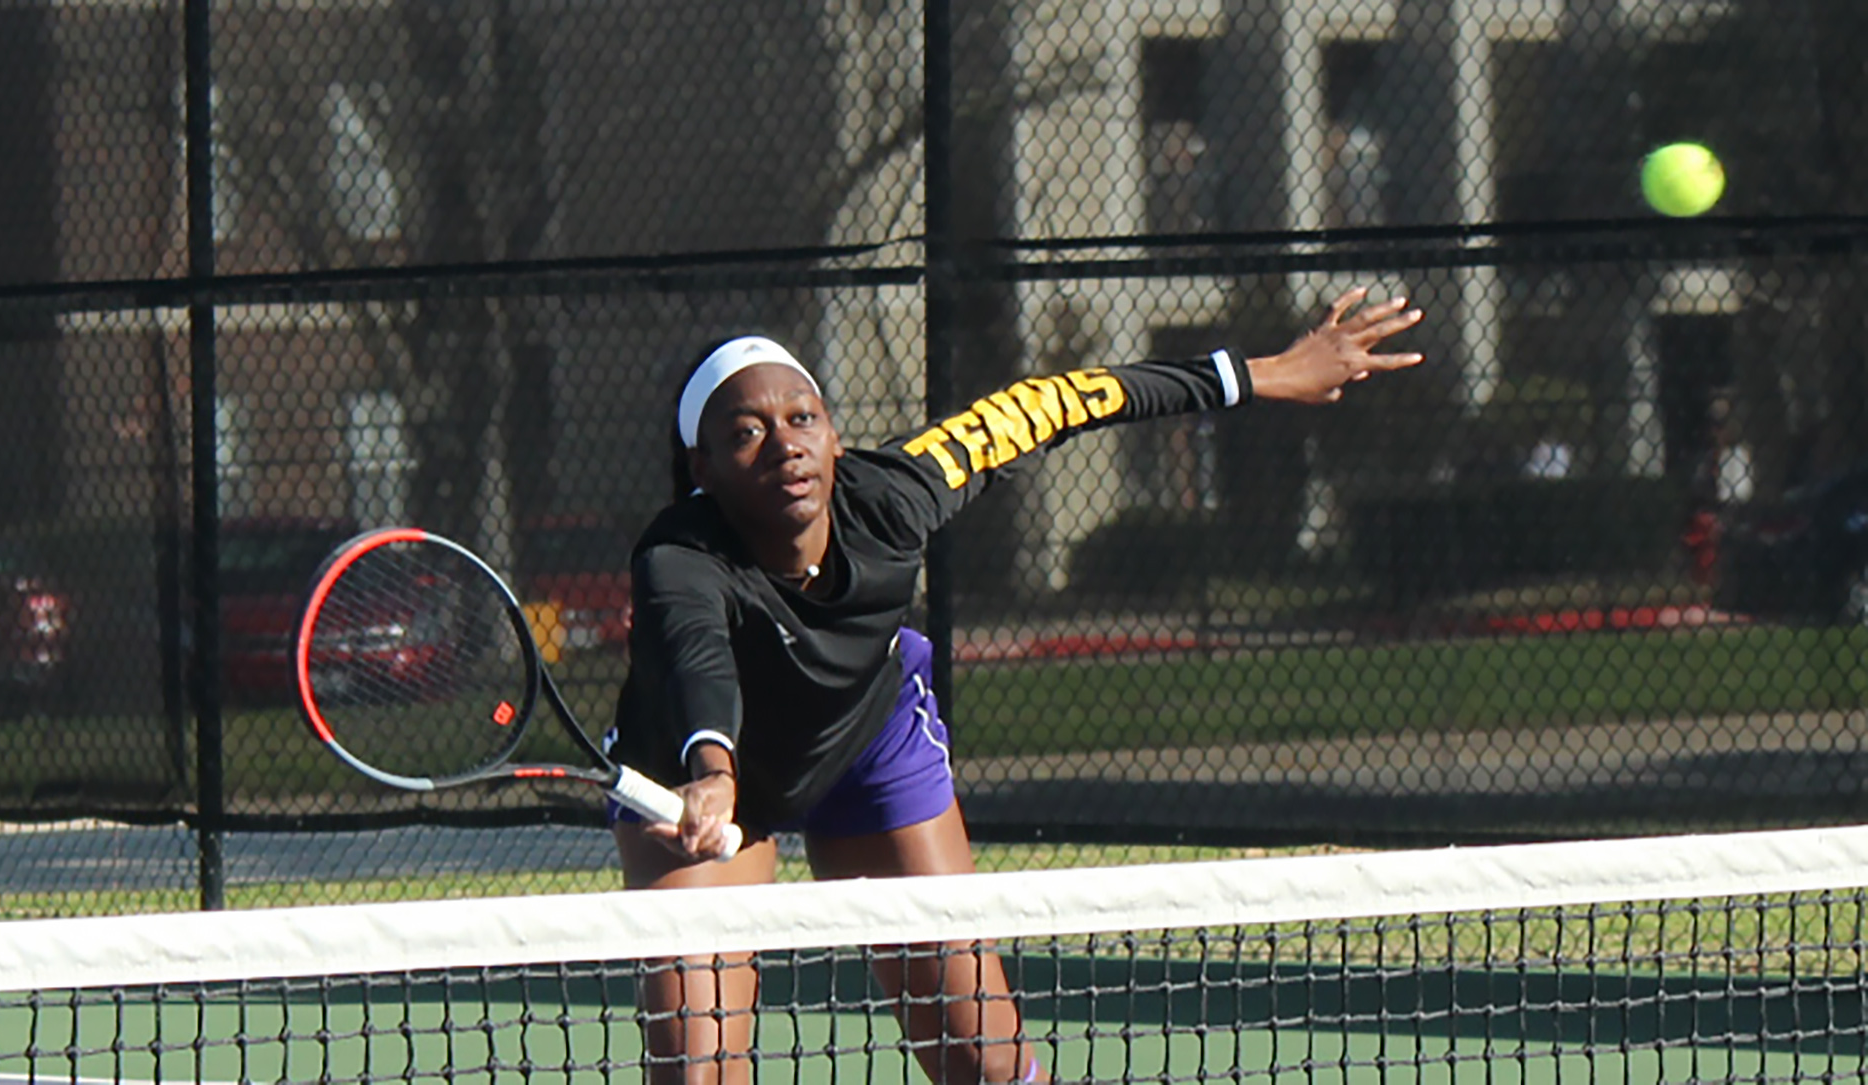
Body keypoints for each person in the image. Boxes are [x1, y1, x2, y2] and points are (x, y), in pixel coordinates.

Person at [607, 287, 1424, 1084]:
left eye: (802, 417)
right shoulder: (677, 557)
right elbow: (695, 657)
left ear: (835, 437)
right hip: (697, 780)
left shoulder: (896, 493)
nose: (784, 442)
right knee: (695, 1067)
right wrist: (712, 770)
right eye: (748, 431)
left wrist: (1270, 371)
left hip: (867, 738)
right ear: (702, 466)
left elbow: (1061, 400)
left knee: (985, 1061)